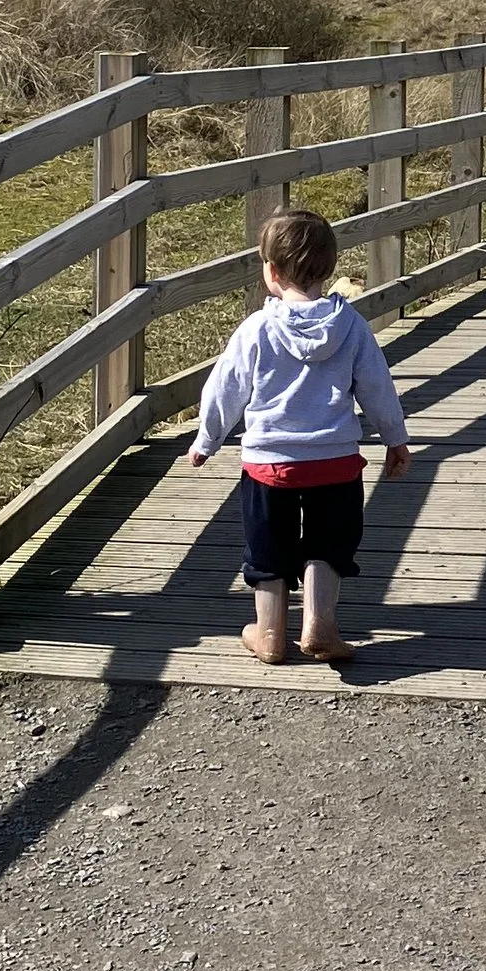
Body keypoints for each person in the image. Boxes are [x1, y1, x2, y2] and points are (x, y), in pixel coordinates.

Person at [189, 208, 412, 667]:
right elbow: (377, 387)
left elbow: (226, 388)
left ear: (271, 272)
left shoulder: (256, 330)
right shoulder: (352, 327)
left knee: (268, 548)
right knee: (330, 543)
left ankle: (270, 634)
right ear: (329, 270)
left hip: (270, 464)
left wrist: (207, 439)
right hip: (335, 462)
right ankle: (320, 622)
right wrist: (395, 437)